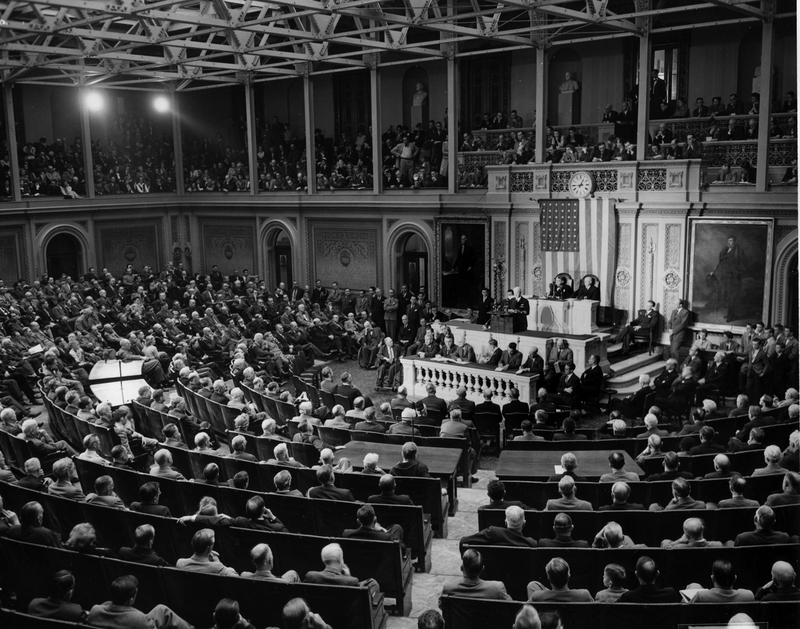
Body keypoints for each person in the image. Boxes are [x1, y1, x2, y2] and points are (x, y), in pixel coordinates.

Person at [87, 575, 192, 629]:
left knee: (161, 610)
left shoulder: (95, 611)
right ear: (131, 600)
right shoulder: (141, 619)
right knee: (163, 610)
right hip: (137, 624)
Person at [440, 549, 511, 602]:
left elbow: (443, 607)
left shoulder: (448, 589)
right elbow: (511, 607)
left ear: (462, 568)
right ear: (482, 569)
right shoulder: (497, 589)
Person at [460, 505, 537, 549]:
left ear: (505, 522)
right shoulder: (531, 543)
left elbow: (464, 541)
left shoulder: (493, 533)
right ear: (524, 523)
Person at [710, 235, 747, 322]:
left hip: (733, 278)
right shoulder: (725, 250)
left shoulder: (739, 251)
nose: (730, 242)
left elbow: (744, 262)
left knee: (732, 296)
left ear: (735, 242)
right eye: (729, 241)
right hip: (724, 277)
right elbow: (720, 263)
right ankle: (730, 313)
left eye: (731, 241)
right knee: (726, 295)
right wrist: (715, 271)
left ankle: (731, 315)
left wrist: (737, 272)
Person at [526, 557, 593, 602]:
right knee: (533, 584)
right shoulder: (584, 595)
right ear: (569, 576)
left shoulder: (536, 596)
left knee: (532, 585)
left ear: (548, 578)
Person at [686, 560, 755, 603]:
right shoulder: (748, 596)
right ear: (735, 578)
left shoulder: (701, 596)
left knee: (694, 585)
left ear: (713, 579)